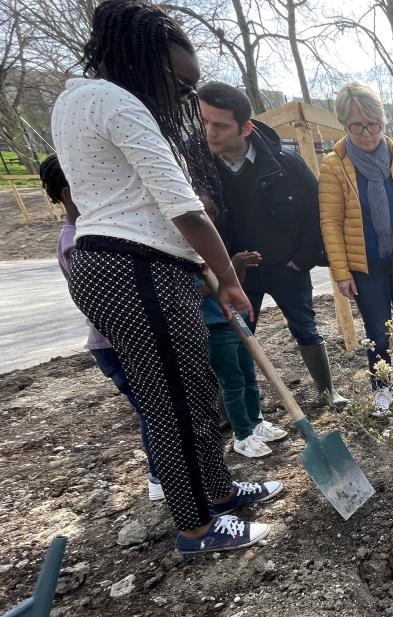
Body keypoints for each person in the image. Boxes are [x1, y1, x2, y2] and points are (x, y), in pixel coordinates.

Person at [51, 0, 282, 555]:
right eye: (180, 84)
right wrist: (228, 279)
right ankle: (198, 527)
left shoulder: (74, 101)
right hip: (132, 271)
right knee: (172, 403)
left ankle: (220, 493)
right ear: (143, 59)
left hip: (135, 265)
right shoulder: (117, 102)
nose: (183, 98)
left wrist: (198, 268)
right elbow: (183, 209)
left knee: (194, 393)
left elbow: (142, 205)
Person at [196, 81, 347, 408]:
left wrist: (301, 259)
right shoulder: (201, 172)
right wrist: (225, 266)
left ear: (245, 127)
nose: (210, 132)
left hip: (286, 267)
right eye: (205, 122)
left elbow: (314, 213)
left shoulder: (285, 164)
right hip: (235, 272)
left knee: (305, 328)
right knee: (236, 335)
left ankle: (327, 391)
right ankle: (235, 407)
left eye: (220, 125)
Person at [45, 154, 163, 502]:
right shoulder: (76, 242)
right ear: (69, 192)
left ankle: (168, 474)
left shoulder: (95, 232)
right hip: (114, 345)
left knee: (156, 407)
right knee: (152, 410)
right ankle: (160, 478)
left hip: (125, 341)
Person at [319, 81, 393, 415]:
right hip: (367, 270)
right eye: (357, 126)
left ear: (382, 122)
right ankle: (382, 392)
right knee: (377, 335)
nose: (367, 133)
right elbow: (331, 223)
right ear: (344, 124)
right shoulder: (334, 167)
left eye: (373, 125)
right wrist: (340, 272)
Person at [197, 197, 288, 459]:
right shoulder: (187, 254)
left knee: (249, 375)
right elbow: (201, 291)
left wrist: (238, 268)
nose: (209, 220)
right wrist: (231, 267)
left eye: (212, 213)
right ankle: (242, 434)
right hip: (213, 327)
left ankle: (256, 422)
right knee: (233, 382)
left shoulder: (215, 248)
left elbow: (232, 286)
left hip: (235, 322)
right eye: (203, 214)